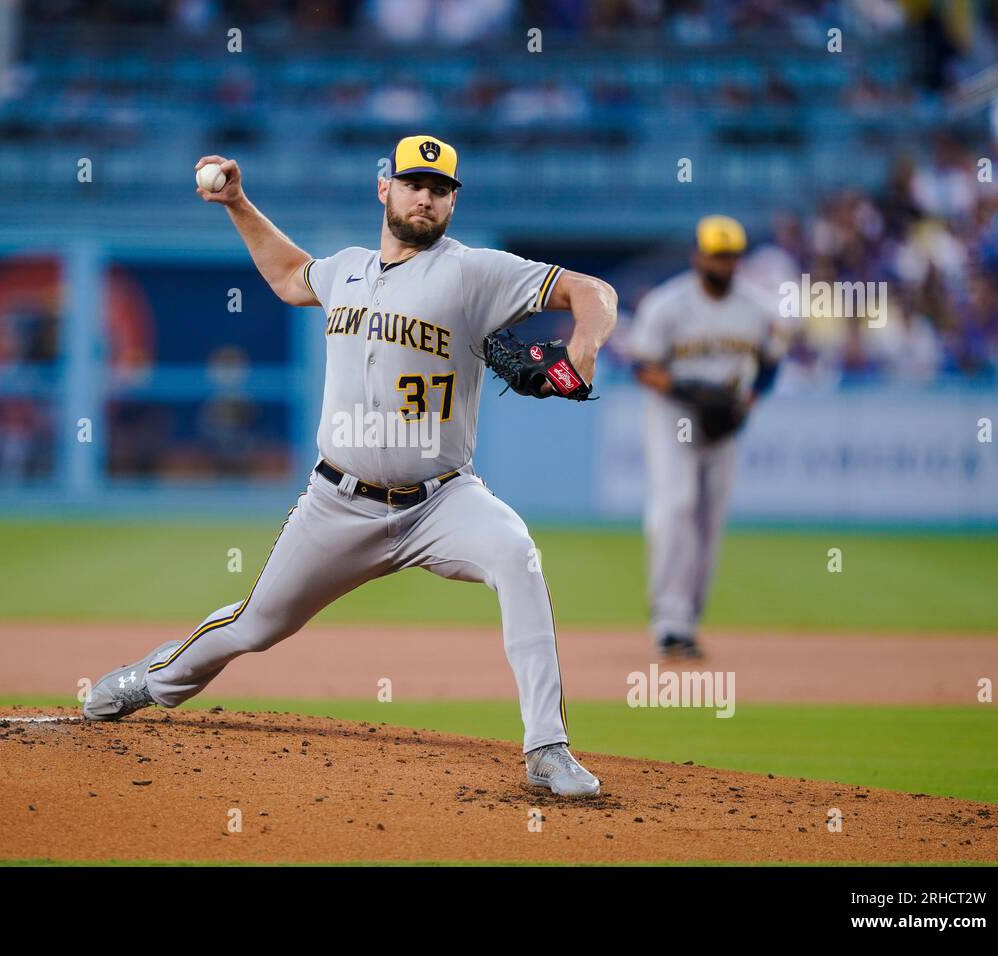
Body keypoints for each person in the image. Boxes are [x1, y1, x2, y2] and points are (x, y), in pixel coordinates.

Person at [82, 135, 618, 797]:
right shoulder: (346, 270)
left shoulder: (476, 272)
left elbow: (591, 290)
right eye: (414, 182)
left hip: (441, 501)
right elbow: (287, 275)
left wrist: (584, 348)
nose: (426, 196)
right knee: (255, 625)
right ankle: (146, 683)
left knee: (516, 554)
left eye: (441, 188)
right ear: (384, 187)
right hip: (338, 502)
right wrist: (238, 202)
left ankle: (547, 750)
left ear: (453, 203)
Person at [629, 215, 782, 661]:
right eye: (717, 254)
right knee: (676, 505)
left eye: (731, 255)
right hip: (674, 417)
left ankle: (687, 622)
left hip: (723, 425)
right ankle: (668, 621)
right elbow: (643, 366)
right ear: (698, 255)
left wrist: (746, 403)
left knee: (709, 522)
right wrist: (690, 391)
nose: (724, 262)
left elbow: (771, 363)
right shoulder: (668, 303)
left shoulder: (756, 307)